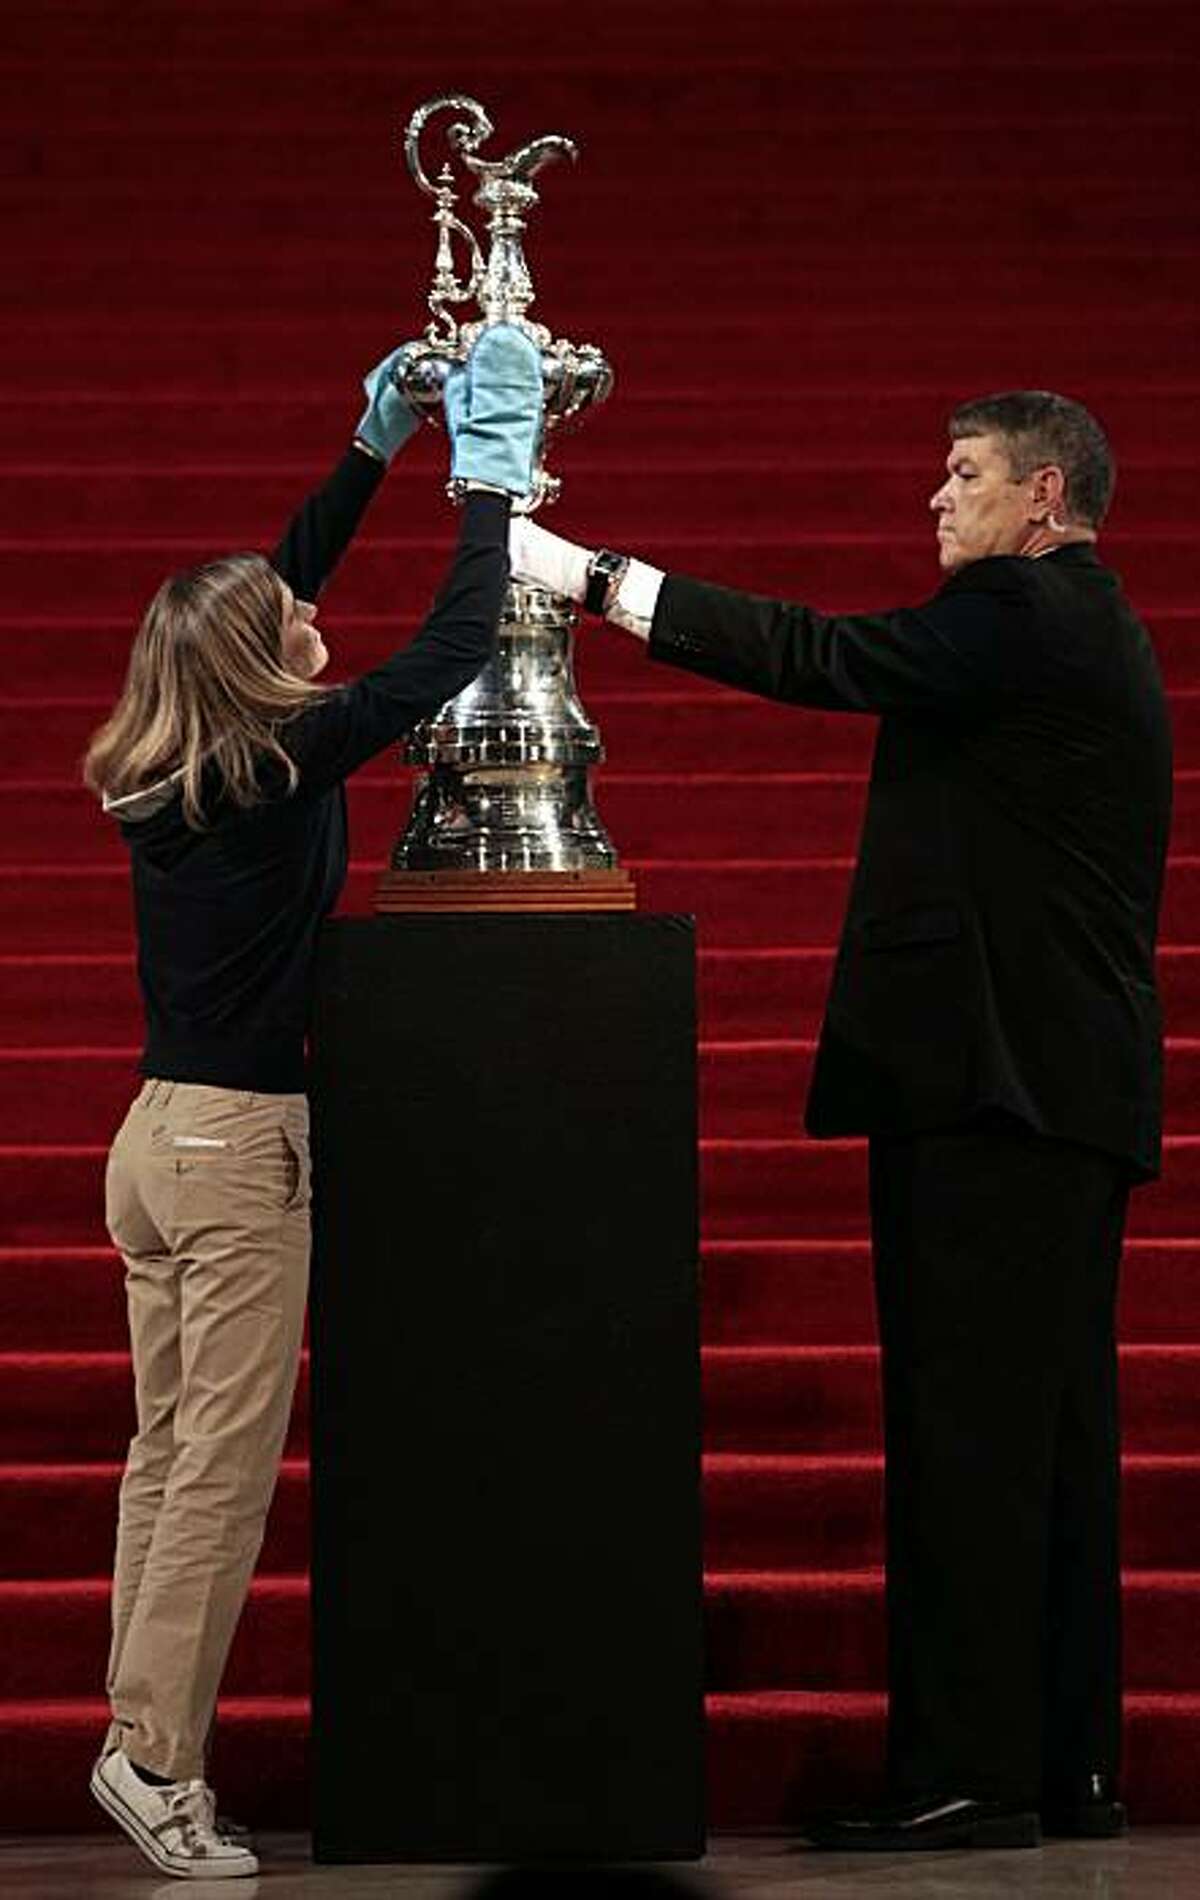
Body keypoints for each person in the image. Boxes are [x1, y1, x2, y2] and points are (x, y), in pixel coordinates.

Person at [509, 392, 1172, 1853]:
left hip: (997, 1093)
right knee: (1050, 1440)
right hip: (1061, 1092)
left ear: (1043, 495)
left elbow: (823, 656)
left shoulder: (1022, 611)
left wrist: (594, 580)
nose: (936, 500)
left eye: (964, 475)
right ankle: (1062, 1764)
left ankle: (971, 1775)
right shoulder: (1082, 625)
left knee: (972, 1443)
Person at [82, 322, 544, 1879]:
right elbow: (452, 642)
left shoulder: (183, 754)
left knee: (165, 1454)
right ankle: (156, 1758)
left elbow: (271, 589)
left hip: (154, 1144)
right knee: (216, 1475)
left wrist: (368, 457)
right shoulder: (284, 759)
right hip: (231, 1153)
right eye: (289, 624)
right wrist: (484, 479)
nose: (309, 623)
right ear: (257, 668)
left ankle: (138, 1735)